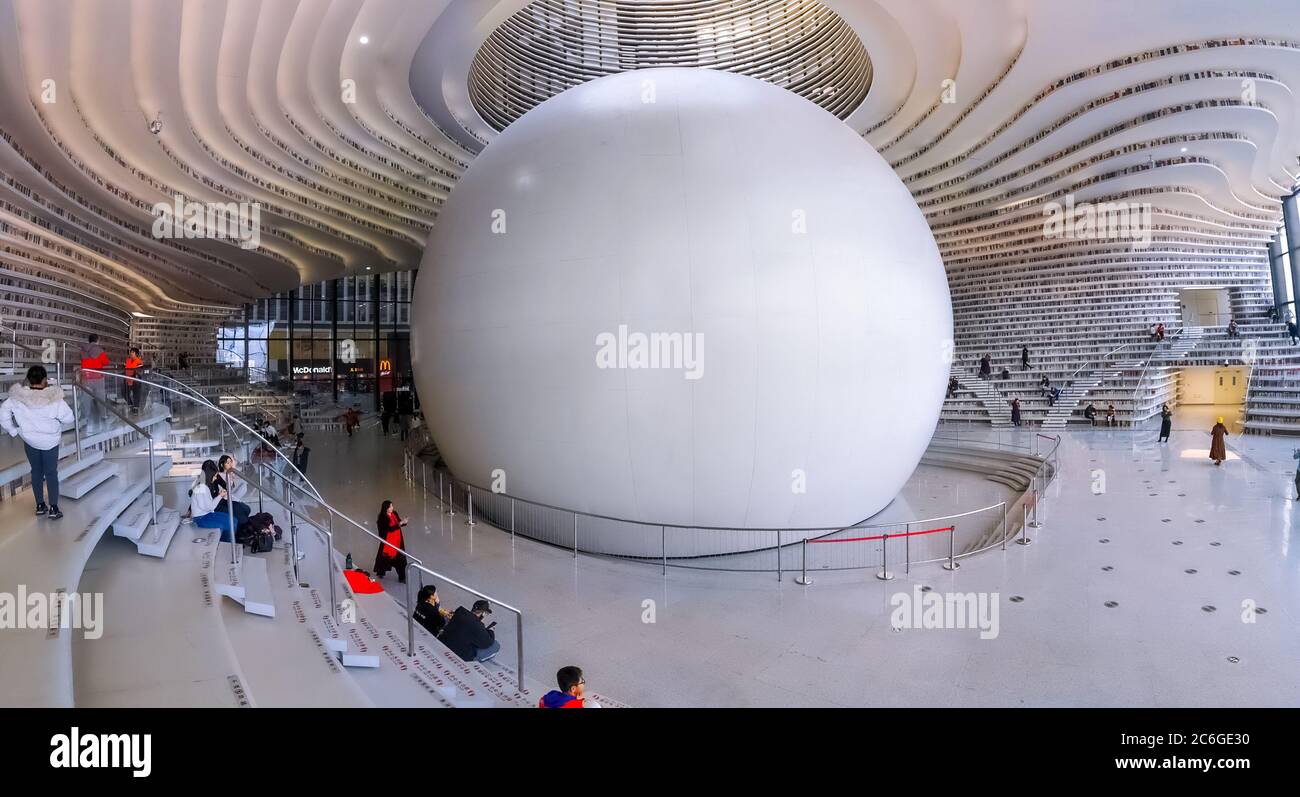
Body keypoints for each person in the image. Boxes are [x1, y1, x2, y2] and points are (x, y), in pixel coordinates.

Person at [0, 365, 74, 520]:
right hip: (50, 442)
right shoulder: (54, 399)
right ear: (45, 380)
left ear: (29, 379)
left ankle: (40, 505)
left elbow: (3, 413)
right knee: (51, 473)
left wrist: (14, 431)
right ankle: (53, 508)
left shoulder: (17, 397)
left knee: (36, 472)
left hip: (30, 440)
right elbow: (69, 418)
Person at [191, 460, 236, 540]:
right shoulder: (201, 488)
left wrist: (220, 495)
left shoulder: (204, 486)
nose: (215, 478)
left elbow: (209, 506)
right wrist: (220, 496)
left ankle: (230, 542)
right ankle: (227, 544)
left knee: (234, 520)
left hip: (207, 514)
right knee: (230, 523)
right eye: (215, 476)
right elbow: (210, 507)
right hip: (201, 518)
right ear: (209, 475)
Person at [78, 333, 110, 431]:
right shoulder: (100, 350)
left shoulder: (83, 350)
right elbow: (106, 362)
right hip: (98, 378)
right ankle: (103, 416)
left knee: (85, 399)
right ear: (97, 340)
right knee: (100, 397)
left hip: (86, 377)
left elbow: (82, 360)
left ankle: (84, 419)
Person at [373, 500, 408, 583]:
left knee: (400, 559)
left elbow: (398, 523)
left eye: (392, 506)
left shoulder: (394, 513)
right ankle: (381, 572)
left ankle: (402, 577)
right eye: (390, 506)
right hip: (388, 543)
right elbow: (389, 529)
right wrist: (400, 523)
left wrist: (404, 522)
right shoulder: (382, 518)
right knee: (384, 558)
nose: (392, 508)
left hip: (397, 540)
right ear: (386, 508)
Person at [124, 347, 145, 412]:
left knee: (136, 393)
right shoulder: (127, 360)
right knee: (124, 392)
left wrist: (135, 374)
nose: (131, 353)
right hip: (127, 379)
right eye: (130, 352)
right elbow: (124, 369)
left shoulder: (139, 361)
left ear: (136, 353)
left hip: (136, 380)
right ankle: (130, 404)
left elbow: (140, 372)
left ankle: (136, 407)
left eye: (132, 352)